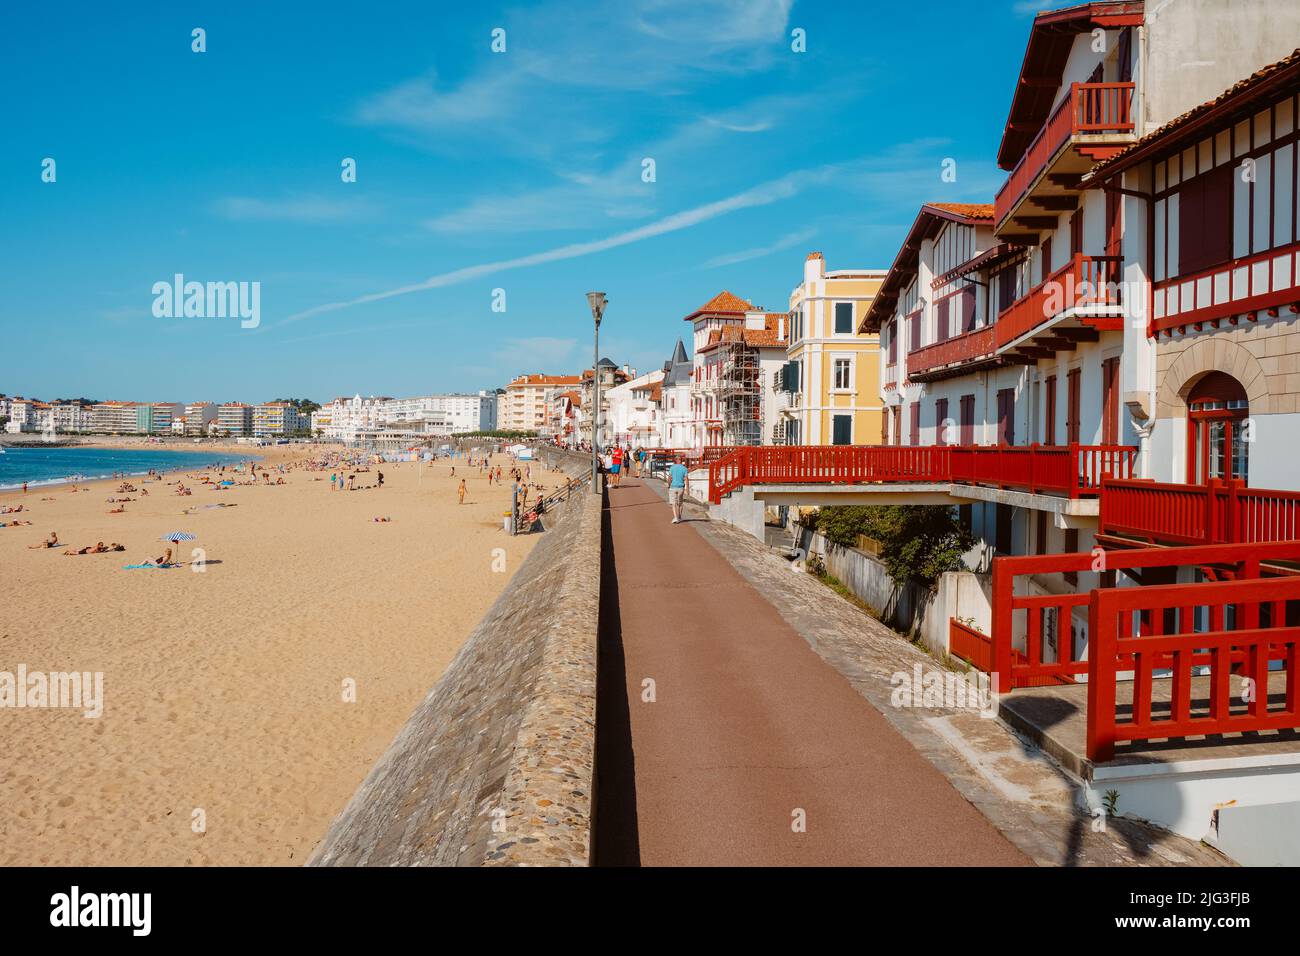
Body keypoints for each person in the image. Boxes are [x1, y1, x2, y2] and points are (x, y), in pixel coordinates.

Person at [668, 457, 688, 524]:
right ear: (681, 461)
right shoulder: (684, 468)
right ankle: (679, 517)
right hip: (681, 487)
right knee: (680, 503)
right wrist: (687, 489)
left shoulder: (672, 468)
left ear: (675, 461)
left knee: (673, 504)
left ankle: (675, 517)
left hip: (673, 487)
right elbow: (686, 479)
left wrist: (669, 485)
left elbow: (669, 478)